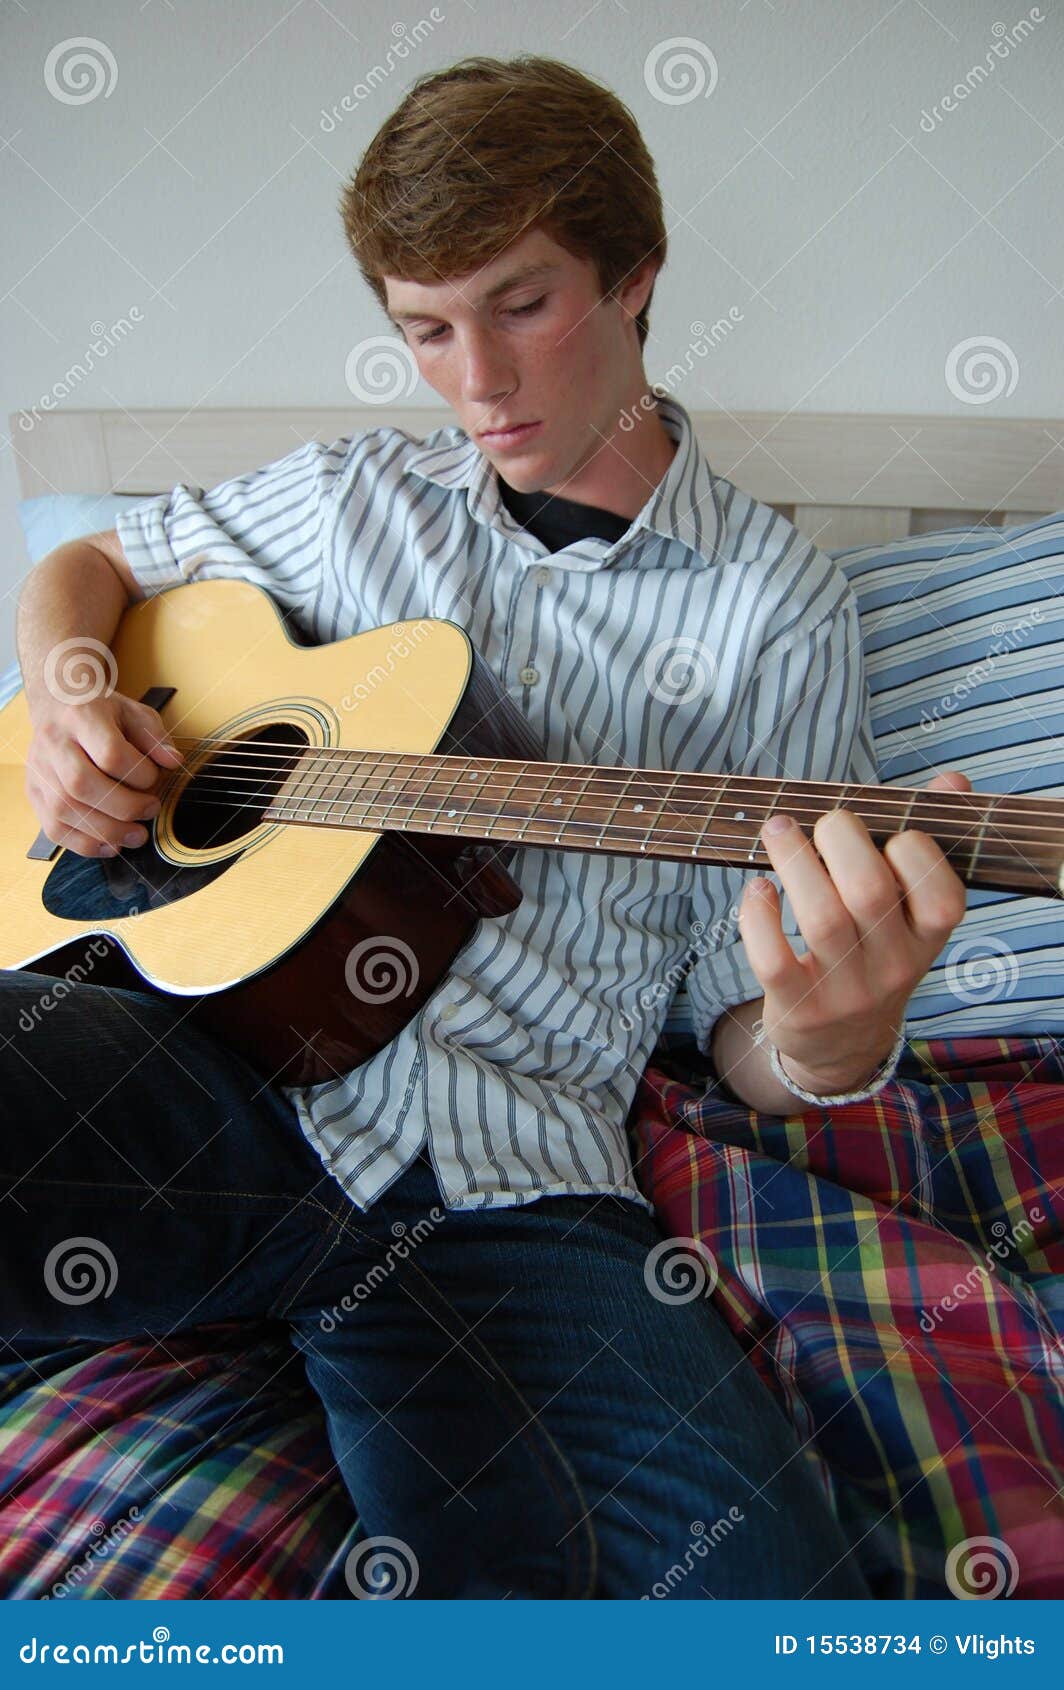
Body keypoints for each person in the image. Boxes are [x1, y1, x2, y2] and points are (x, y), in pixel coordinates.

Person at [4, 55, 970, 1599]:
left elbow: (743, 1031)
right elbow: (93, 565)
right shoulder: (349, 495)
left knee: (760, 1602)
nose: (477, 382)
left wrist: (828, 1039)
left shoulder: (778, 610)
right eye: (426, 328)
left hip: (504, 1184)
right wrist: (68, 694)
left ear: (636, 274)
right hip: (188, 1058)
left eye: (523, 305)